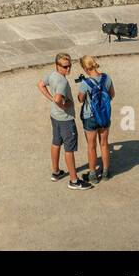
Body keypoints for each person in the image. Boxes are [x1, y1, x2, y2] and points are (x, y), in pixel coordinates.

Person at [37, 53, 93, 189]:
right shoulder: (62, 81)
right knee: (69, 149)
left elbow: (40, 85)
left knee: (56, 142)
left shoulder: (52, 75)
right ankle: (74, 180)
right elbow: (57, 99)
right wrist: (62, 105)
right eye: (65, 67)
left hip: (54, 116)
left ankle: (55, 172)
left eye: (69, 66)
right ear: (57, 65)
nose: (68, 69)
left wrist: (52, 101)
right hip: (65, 119)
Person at [77, 55, 115, 182]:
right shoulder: (107, 78)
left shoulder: (85, 83)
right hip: (104, 115)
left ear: (85, 68)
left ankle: (93, 174)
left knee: (91, 146)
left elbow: (81, 99)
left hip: (90, 117)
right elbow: (112, 95)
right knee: (104, 144)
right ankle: (105, 172)